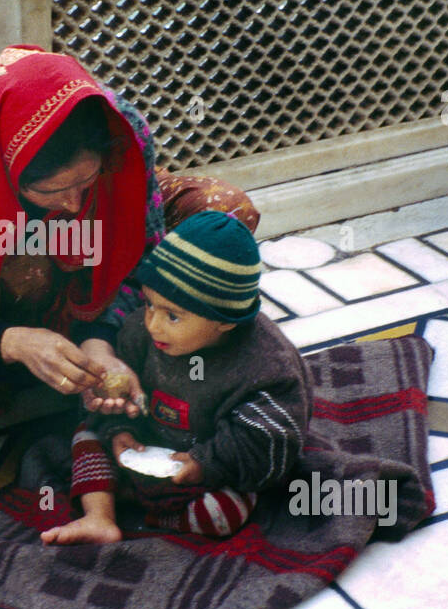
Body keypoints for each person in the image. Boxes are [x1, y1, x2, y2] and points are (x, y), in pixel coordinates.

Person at [0, 45, 261, 415]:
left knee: (224, 212)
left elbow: (141, 249)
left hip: (99, 239)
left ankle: (156, 341)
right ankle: (16, 360)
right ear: (4, 174)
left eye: (86, 182)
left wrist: (100, 343)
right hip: (12, 274)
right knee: (30, 266)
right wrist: (12, 342)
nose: (75, 206)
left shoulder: (118, 129)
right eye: (54, 191)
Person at [41, 211, 311, 544]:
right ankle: (100, 517)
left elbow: (268, 443)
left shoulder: (265, 367)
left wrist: (206, 463)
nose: (153, 324)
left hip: (209, 466)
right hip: (148, 444)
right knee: (86, 436)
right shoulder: (141, 332)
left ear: (224, 321)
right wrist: (120, 426)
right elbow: (118, 402)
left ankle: (158, 514)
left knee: (225, 511)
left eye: (172, 315)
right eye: (150, 304)